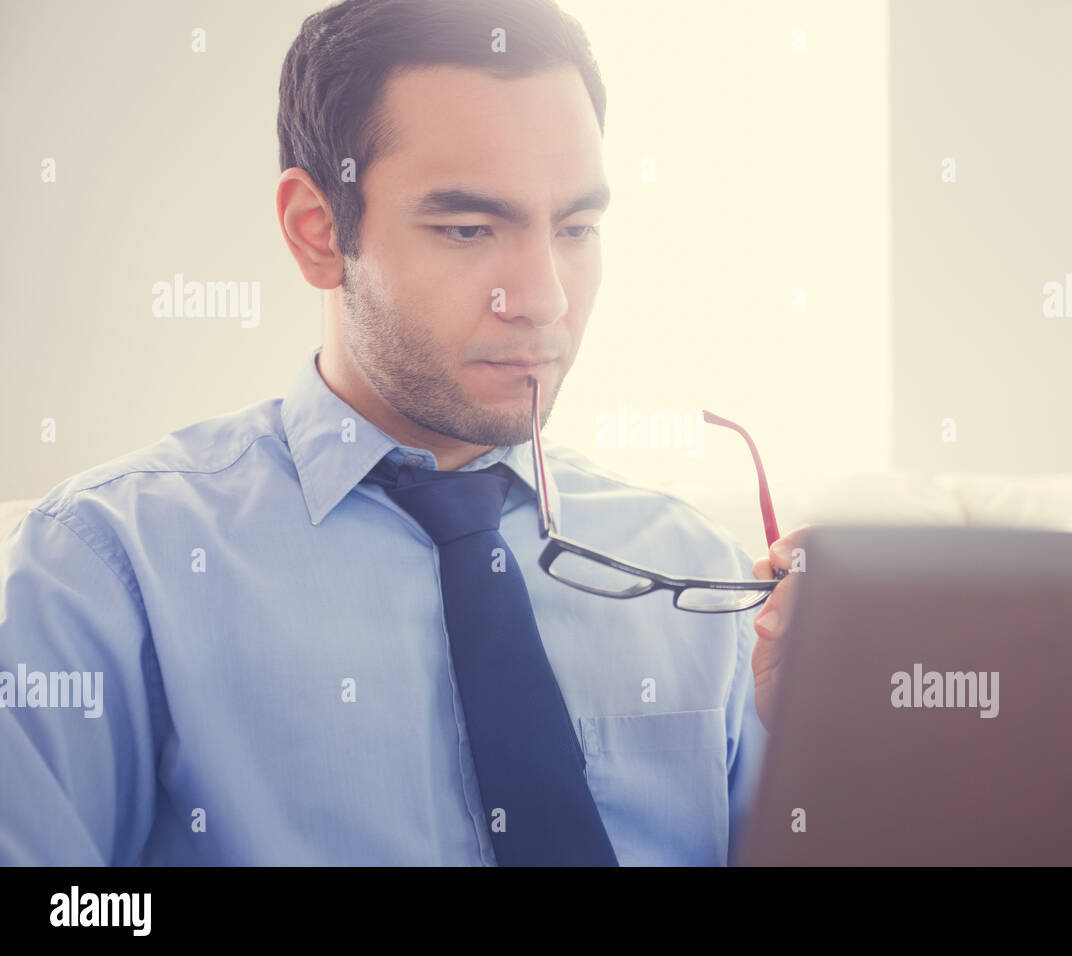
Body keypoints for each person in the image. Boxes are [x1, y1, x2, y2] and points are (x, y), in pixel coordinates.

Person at [0, 0, 802, 866]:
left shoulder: (702, 580)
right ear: (317, 231)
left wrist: (838, 770)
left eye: (575, 229)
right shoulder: (105, 570)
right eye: (467, 228)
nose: (544, 298)